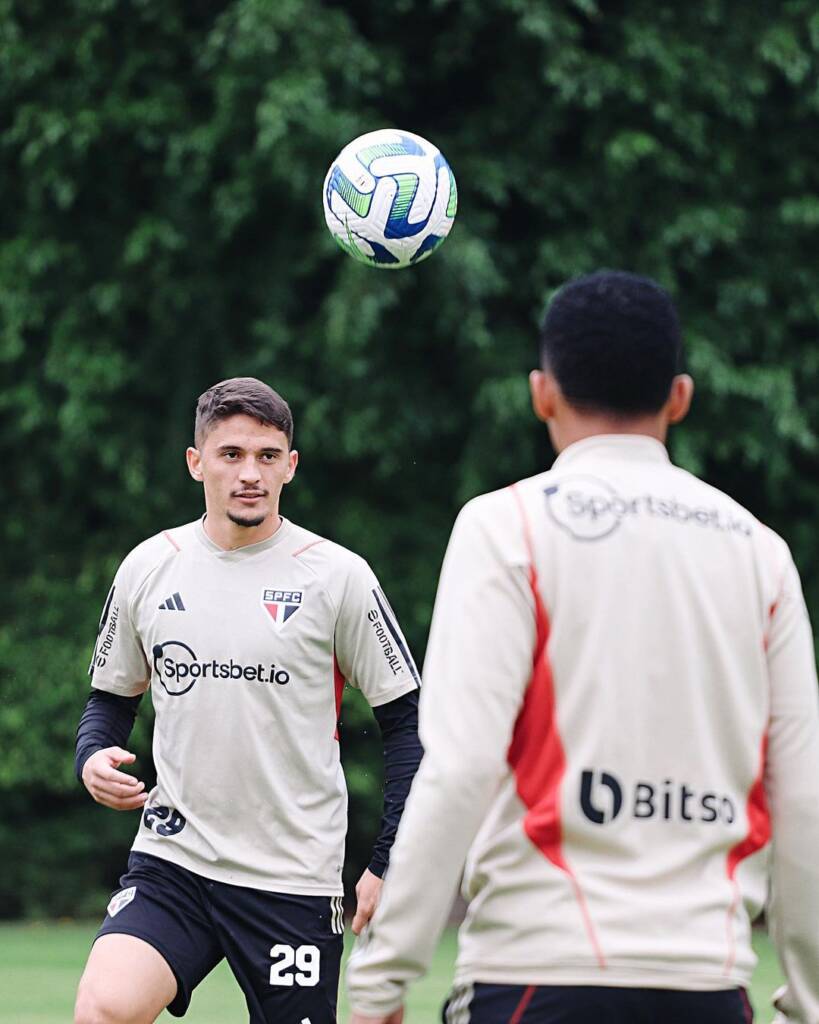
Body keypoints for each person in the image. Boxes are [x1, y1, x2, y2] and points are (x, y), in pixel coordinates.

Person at [346, 271, 819, 1024]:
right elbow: (801, 796)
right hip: (708, 987)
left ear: (541, 394)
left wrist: (382, 977)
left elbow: (460, 765)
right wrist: (808, 998)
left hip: (539, 973)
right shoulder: (760, 552)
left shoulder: (504, 528)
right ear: (679, 398)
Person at [73, 377, 423, 1024]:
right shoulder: (149, 567)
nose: (249, 474)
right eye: (230, 454)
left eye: (267, 456)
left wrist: (387, 862)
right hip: (174, 859)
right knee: (103, 1007)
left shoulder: (338, 576)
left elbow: (407, 727)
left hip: (291, 877)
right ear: (196, 461)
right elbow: (109, 701)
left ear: (290, 466)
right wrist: (92, 755)